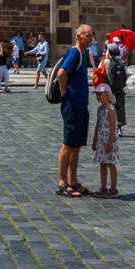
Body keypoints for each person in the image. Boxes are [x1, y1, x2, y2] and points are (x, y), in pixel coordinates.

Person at [56, 23, 93, 198]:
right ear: (78, 36)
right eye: (88, 35)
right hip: (72, 104)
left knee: (76, 145)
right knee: (68, 144)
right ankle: (62, 183)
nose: (91, 37)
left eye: (91, 35)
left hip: (81, 105)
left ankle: (73, 180)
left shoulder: (83, 54)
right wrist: (64, 92)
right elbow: (61, 74)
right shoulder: (74, 52)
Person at [92, 82, 120, 197]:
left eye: (100, 94)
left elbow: (113, 126)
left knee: (111, 164)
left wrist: (110, 142)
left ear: (107, 95)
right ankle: (103, 187)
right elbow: (97, 125)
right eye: (97, 94)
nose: (98, 96)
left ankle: (113, 189)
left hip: (109, 140)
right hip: (101, 140)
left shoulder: (111, 109)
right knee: (102, 163)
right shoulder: (100, 109)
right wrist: (94, 140)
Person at [104, 42, 127, 135]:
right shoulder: (122, 63)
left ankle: (109, 127)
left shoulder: (106, 62)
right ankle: (119, 128)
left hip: (109, 89)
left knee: (109, 107)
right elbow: (126, 75)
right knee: (120, 108)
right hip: (120, 89)